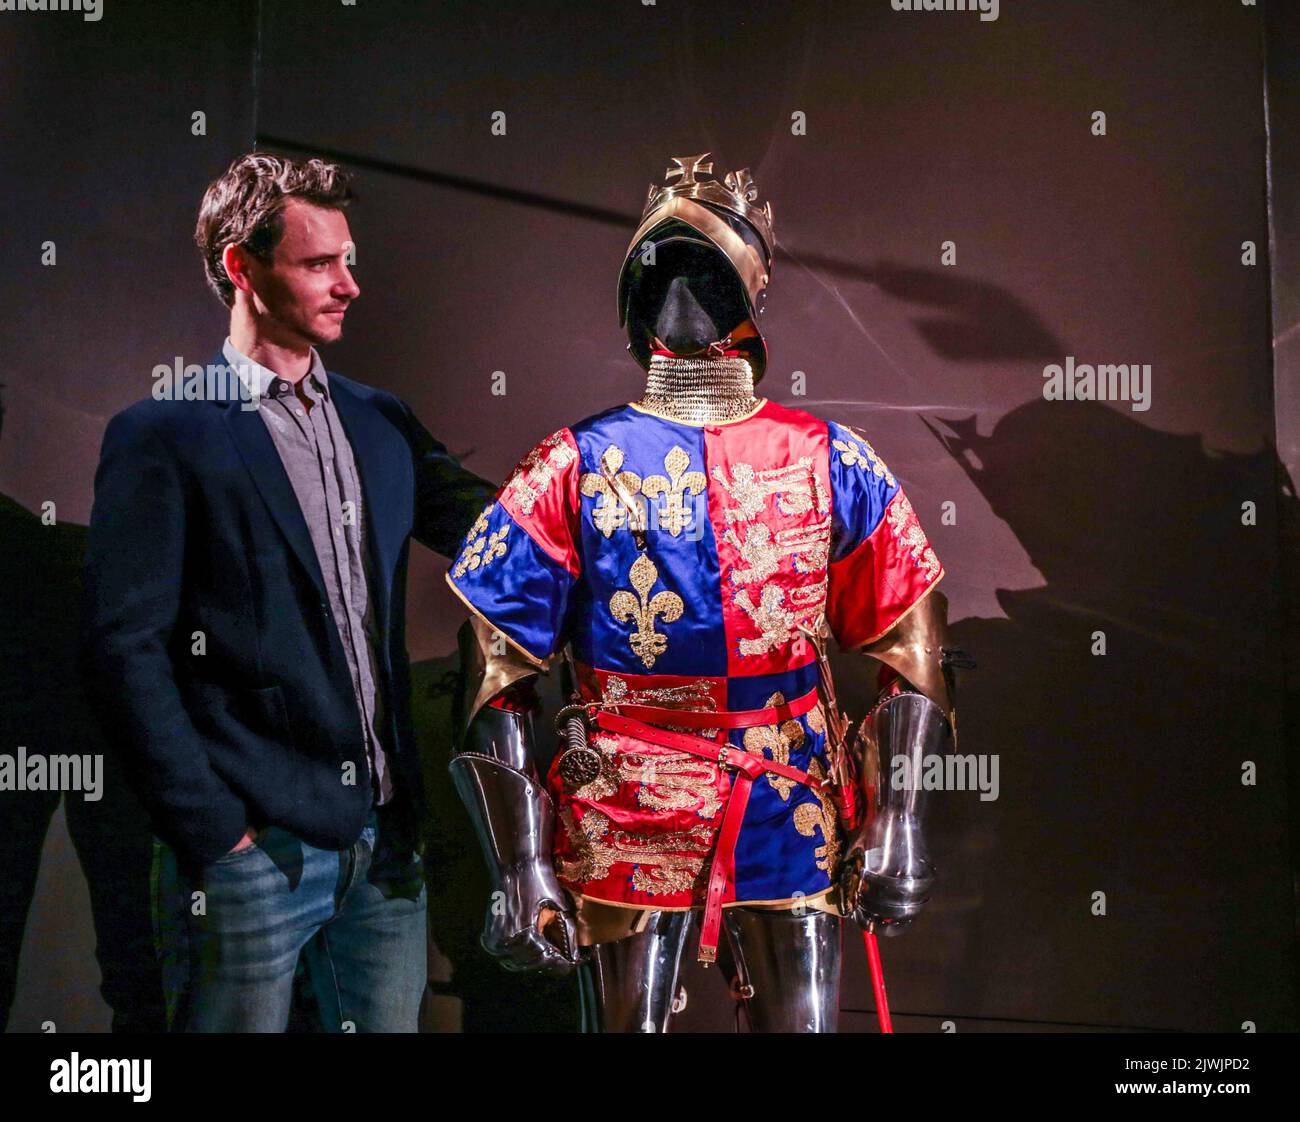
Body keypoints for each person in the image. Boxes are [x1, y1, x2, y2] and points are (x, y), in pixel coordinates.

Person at [445, 153, 966, 1031]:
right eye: (666, 269)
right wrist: (520, 861)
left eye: (709, 271)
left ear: (748, 297)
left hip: (785, 790)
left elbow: (912, 636)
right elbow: (494, 663)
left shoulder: (828, 457)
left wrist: (898, 816)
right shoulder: (570, 464)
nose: (684, 288)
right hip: (621, 794)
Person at [80, 151, 495, 1032]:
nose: (349, 285)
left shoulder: (379, 420)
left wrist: (633, 490)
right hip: (252, 855)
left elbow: (502, 536)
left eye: (349, 259)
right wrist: (216, 838)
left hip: (386, 854)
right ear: (242, 265)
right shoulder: (165, 432)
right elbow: (124, 649)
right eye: (319, 263)